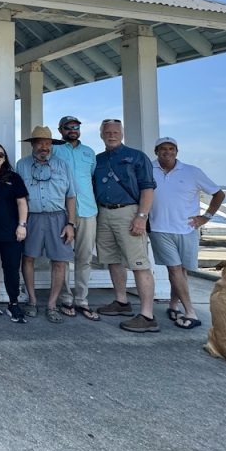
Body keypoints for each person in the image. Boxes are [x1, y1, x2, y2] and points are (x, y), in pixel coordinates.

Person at [150, 137, 225, 330]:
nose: (167, 152)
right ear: (156, 151)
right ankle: (190, 312)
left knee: (182, 271)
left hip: (187, 229)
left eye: (171, 148)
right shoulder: (148, 169)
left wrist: (206, 217)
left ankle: (173, 305)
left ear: (177, 151)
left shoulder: (192, 172)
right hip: (159, 229)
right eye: (163, 148)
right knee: (174, 269)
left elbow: (218, 194)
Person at [92, 119, 159, 333]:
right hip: (103, 212)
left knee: (139, 263)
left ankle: (147, 315)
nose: (111, 135)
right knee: (112, 260)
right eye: (107, 132)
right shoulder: (98, 159)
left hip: (129, 212)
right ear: (101, 134)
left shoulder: (137, 157)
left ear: (121, 133)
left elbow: (147, 188)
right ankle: (121, 302)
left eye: (115, 132)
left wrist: (142, 217)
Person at [15, 126, 77, 324]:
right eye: (40, 142)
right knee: (28, 258)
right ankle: (32, 301)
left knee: (59, 261)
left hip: (57, 217)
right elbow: (17, 197)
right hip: (31, 217)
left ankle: (52, 305)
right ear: (32, 144)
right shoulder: (21, 165)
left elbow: (71, 196)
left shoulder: (63, 165)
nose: (44, 146)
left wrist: (70, 223)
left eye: (48, 143)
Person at [51, 115, 101, 321]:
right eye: (68, 126)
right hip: (62, 212)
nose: (73, 129)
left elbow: (92, 177)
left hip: (88, 211)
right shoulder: (54, 150)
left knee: (85, 258)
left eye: (76, 126)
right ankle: (66, 298)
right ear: (60, 130)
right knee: (62, 257)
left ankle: (82, 299)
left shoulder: (89, 152)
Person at [0, 143, 29, 323]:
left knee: (11, 268)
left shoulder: (13, 177)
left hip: (11, 232)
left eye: (1, 154)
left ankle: (13, 303)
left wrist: (22, 225)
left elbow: (22, 203)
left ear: (5, 158)